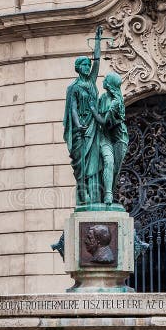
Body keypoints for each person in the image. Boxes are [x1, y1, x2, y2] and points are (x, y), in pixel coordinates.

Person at [63, 31, 102, 205]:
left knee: (95, 160)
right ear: (78, 68)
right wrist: (78, 125)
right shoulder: (74, 87)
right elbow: (71, 109)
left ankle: (94, 194)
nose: (87, 67)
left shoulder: (92, 82)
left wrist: (98, 41)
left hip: (94, 125)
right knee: (81, 162)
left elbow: (98, 62)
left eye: (88, 65)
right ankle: (82, 190)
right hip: (82, 127)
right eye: (84, 65)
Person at [90, 72, 128, 204]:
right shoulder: (103, 98)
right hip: (105, 136)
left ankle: (107, 192)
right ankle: (107, 195)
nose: (104, 79)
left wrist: (92, 109)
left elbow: (103, 121)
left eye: (106, 79)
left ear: (110, 83)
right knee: (108, 162)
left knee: (116, 170)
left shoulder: (115, 103)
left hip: (119, 139)